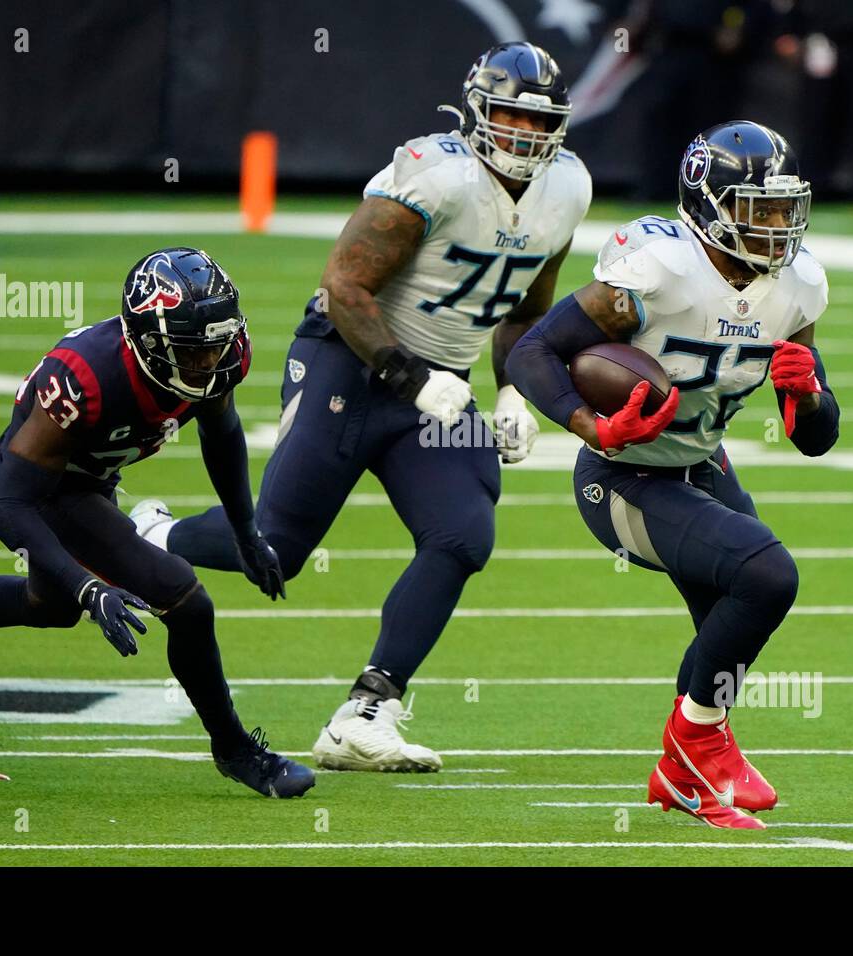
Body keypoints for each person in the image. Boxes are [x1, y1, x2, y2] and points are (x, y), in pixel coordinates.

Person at [132, 42, 592, 772]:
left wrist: (512, 388)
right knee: (277, 548)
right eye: (510, 115)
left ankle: (367, 710)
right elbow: (345, 287)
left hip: (436, 382)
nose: (526, 135)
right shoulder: (434, 174)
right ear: (478, 110)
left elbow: (527, 308)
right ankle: (151, 536)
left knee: (462, 534)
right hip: (350, 356)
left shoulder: (567, 187)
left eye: (540, 122)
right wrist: (412, 377)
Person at [0, 248, 314, 799]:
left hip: (90, 482)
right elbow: (8, 504)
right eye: (195, 352)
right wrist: (89, 587)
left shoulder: (211, 352)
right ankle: (236, 750)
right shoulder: (84, 377)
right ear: (149, 341)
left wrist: (246, 533)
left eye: (217, 346)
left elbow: (220, 431)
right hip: (39, 485)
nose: (212, 362)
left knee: (46, 606)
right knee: (185, 599)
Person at [507, 121, 840, 828]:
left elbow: (815, 438)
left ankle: (690, 765)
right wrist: (590, 424)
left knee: (730, 618)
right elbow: (533, 352)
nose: (779, 227)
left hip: (699, 464)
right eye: (760, 209)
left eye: (786, 209)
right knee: (767, 575)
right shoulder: (658, 268)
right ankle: (691, 749)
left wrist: (807, 393)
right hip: (621, 475)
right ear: (709, 204)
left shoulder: (799, 286)